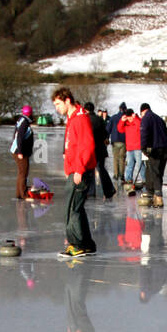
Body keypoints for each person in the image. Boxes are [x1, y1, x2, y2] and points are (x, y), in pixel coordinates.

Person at [52, 87, 96, 259]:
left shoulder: (80, 119)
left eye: (58, 104)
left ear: (67, 100)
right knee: (77, 207)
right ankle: (86, 244)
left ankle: (77, 245)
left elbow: (87, 146)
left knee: (72, 208)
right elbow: (72, 145)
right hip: (75, 170)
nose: (57, 108)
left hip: (81, 171)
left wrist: (78, 169)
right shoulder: (72, 119)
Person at [138, 103, 167, 207]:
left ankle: (158, 197)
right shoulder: (159, 118)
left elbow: (144, 133)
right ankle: (154, 194)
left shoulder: (146, 118)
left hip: (155, 149)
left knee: (154, 172)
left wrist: (143, 147)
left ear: (142, 111)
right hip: (165, 148)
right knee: (159, 172)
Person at [83, 102, 115, 200]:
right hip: (101, 149)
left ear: (85, 110)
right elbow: (105, 134)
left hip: (91, 149)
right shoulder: (99, 119)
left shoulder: (85, 120)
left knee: (90, 170)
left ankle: (90, 192)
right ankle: (109, 190)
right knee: (101, 169)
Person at [117, 107, 143, 195]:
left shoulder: (137, 121)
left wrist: (135, 118)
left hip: (138, 148)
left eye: (130, 116)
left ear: (133, 115)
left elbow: (140, 126)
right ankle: (128, 180)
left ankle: (145, 180)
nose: (129, 118)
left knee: (140, 165)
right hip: (129, 149)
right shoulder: (126, 123)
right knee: (129, 165)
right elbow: (120, 129)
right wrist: (122, 120)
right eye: (128, 117)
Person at [11, 104, 33, 200]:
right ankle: (23, 194)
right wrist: (20, 152)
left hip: (18, 150)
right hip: (20, 152)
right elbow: (19, 137)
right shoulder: (24, 122)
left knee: (21, 173)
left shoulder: (21, 120)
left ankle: (19, 193)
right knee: (23, 173)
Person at [109, 103, 127, 187]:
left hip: (115, 141)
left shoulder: (113, 117)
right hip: (123, 141)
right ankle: (122, 175)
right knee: (122, 159)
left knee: (115, 158)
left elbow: (108, 129)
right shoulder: (126, 118)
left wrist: (107, 137)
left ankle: (116, 175)